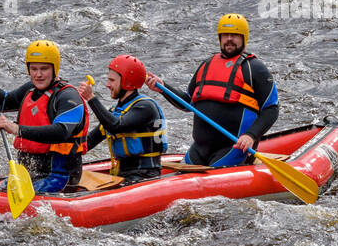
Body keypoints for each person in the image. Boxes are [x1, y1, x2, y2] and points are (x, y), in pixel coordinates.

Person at [145, 13, 278, 167]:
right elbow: (188, 103)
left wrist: (251, 136)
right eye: (225, 35)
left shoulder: (254, 68)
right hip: (199, 148)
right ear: (219, 38)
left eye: (235, 35)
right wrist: (163, 87)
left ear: (244, 38)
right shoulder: (206, 66)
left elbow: (271, 109)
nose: (229, 39)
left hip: (234, 148)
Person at [0, 39, 89, 193]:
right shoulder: (30, 89)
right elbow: (2, 103)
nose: (38, 74)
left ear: (55, 69)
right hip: (30, 174)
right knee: (3, 190)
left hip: (60, 176)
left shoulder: (69, 97)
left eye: (44, 69)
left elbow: (61, 132)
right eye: (33, 69)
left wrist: (16, 129)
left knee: (23, 195)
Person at [77, 54, 166, 186]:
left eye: (112, 80)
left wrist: (91, 98)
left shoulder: (145, 107)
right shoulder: (115, 111)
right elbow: (88, 142)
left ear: (128, 82)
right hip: (122, 174)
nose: (107, 85)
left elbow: (116, 126)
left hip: (145, 175)